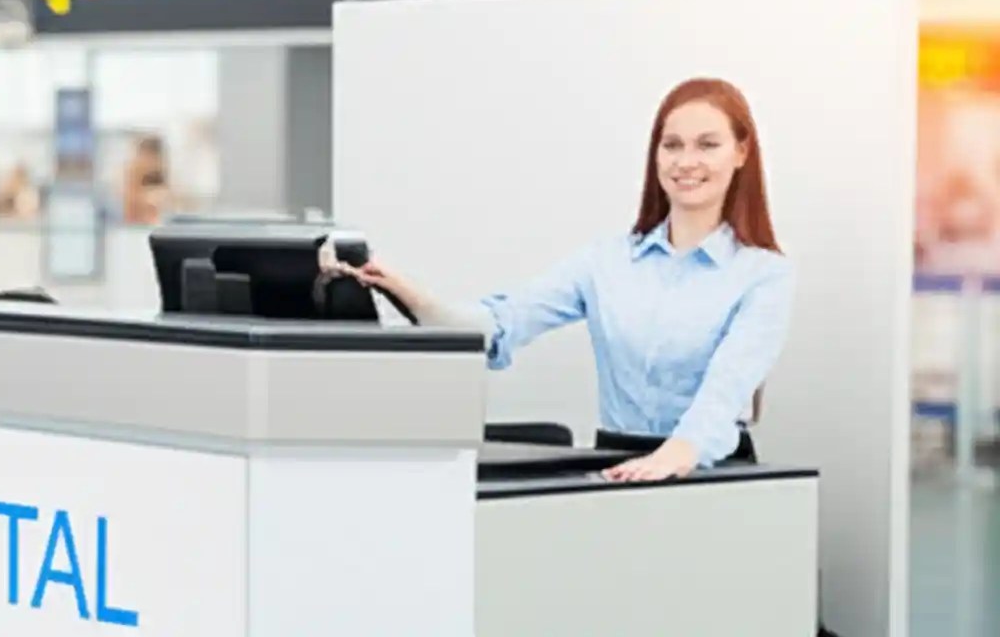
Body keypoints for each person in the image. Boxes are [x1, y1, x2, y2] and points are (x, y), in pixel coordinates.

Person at [333, 77, 796, 483]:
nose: (685, 161)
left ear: (741, 152)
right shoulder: (606, 262)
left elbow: (725, 392)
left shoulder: (763, 275)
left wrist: (673, 456)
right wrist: (404, 291)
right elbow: (503, 323)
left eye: (706, 144)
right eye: (671, 144)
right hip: (618, 461)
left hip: (711, 472)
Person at [122, 135, 174, 225]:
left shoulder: (159, 171)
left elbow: (168, 199)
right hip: (135, 225)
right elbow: (129, 204)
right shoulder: (134, 171)